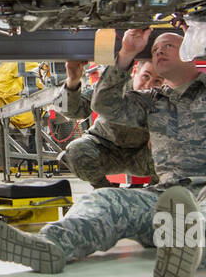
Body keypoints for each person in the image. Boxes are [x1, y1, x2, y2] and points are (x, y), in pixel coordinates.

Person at [0, 26, 206, 277]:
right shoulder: (152, 104)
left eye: (170, 46)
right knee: (108, 201)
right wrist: (124, 55)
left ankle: (190, 244)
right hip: (169, 199)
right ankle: (52, 245)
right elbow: (105, 103)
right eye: (156, 47)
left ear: (191, 52)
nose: (160, 50)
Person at [56, 59, 160, 189]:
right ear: (134, 72)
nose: (148, 85)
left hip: (140, 156)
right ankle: (104, 191)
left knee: (177, 153)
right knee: (76, 150)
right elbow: (73, 112)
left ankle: (155, 194)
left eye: (158, 81)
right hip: (105, 149)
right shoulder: (112, 88)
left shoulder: (162, 98)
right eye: (146, 76)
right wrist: (72, 81)